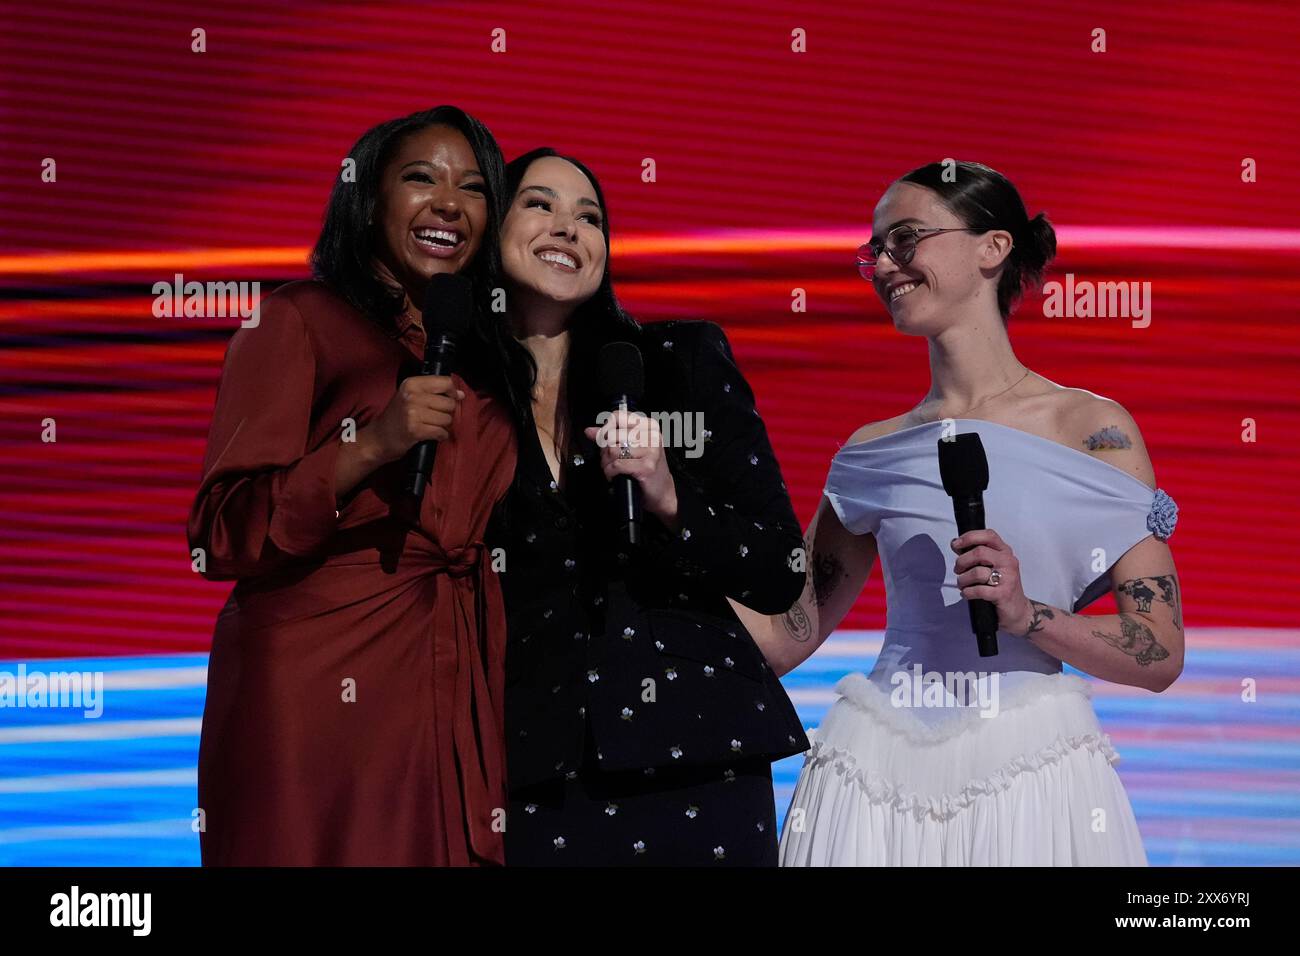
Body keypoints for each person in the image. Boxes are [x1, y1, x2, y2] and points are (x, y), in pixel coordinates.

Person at [731, 161, 1183, 866]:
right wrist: (668, 535)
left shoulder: (1094, 428)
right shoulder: (869, 451)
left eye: (905, 240)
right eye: (873, 251)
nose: (884, 265)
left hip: (1032, 772)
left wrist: (1026, 613)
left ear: (991, 248)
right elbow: (789, 636)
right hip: (873, 776)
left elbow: (1160, 649)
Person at [188, 106, 520, 865]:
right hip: (315, 690)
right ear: (368, 202)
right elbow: (219, 530)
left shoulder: (486, 355)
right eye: (420, 180)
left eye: (472, 188)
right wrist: (370, 446)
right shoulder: (297, 319)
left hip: (451, 680)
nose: (447, 203)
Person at [484, 148, 810, 866]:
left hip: (698, 755)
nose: (569, 228)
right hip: (535, 761)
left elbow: (781, 567)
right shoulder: (457, 396)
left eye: (590, 216)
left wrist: (669, 496)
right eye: (539, 205)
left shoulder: (676, 361)